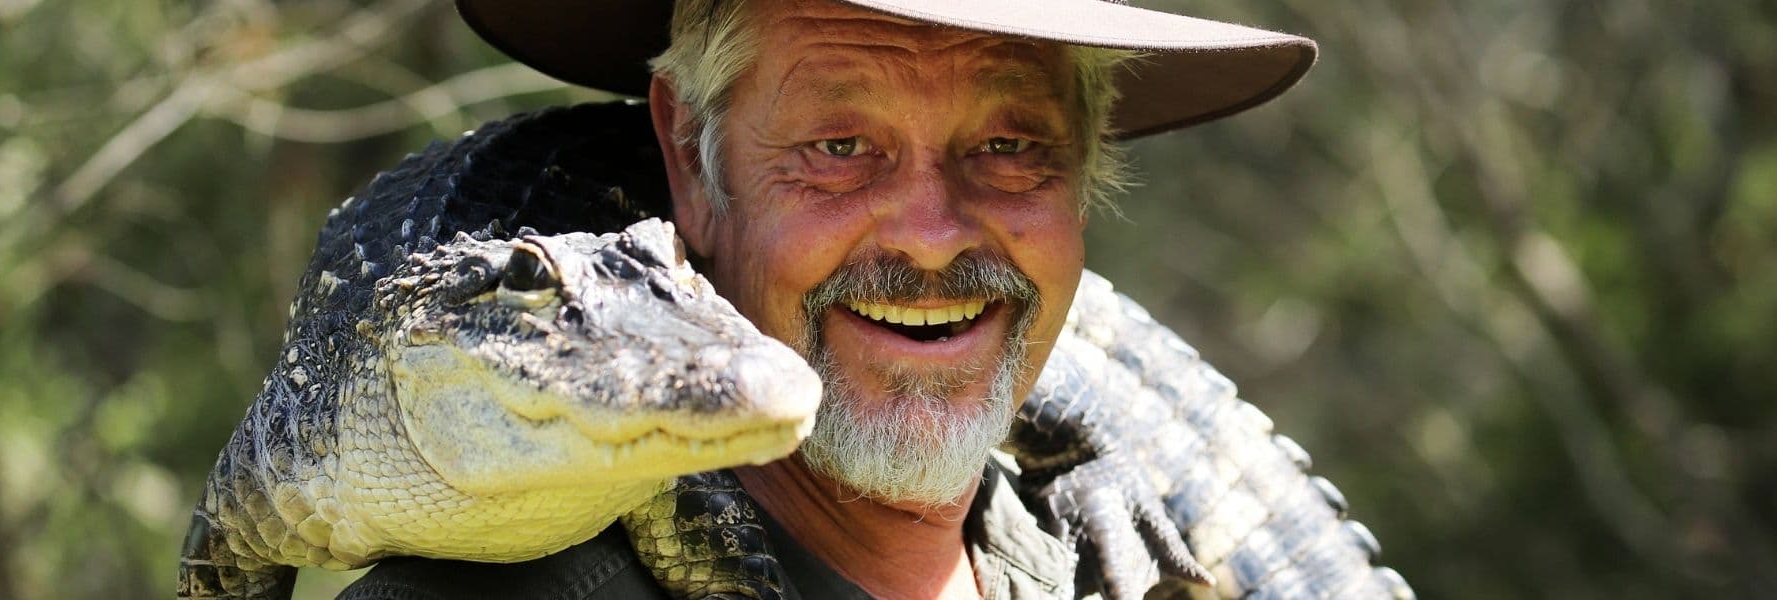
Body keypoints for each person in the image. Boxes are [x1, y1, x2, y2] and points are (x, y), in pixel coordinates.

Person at [340, 0, 1315, 598]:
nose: (931, 235)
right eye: (839, 147)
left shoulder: (1112, 568)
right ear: (690, 163)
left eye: (1009, 146)